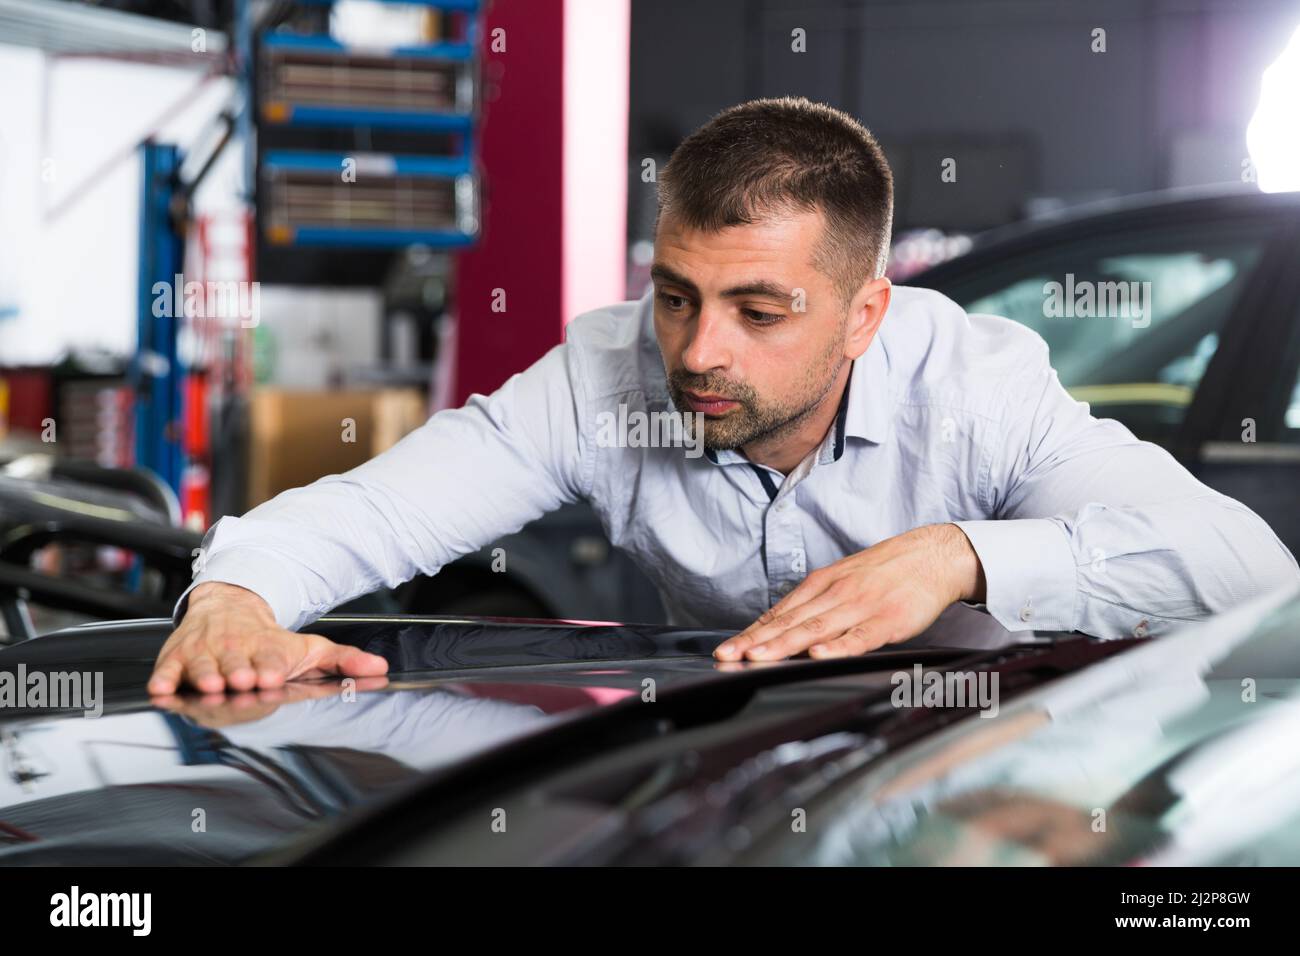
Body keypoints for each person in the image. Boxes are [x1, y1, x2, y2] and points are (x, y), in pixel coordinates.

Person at [148, 96, 1299, 695]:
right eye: (676, 294)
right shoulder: (607, 374)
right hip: (724, 779)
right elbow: (378, 510)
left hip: (969, 778)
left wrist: (960, 555)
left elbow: (1249, 568)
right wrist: (240, 596)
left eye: (760, 311)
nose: (698, 351)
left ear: (864, 314)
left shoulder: (976, 389)